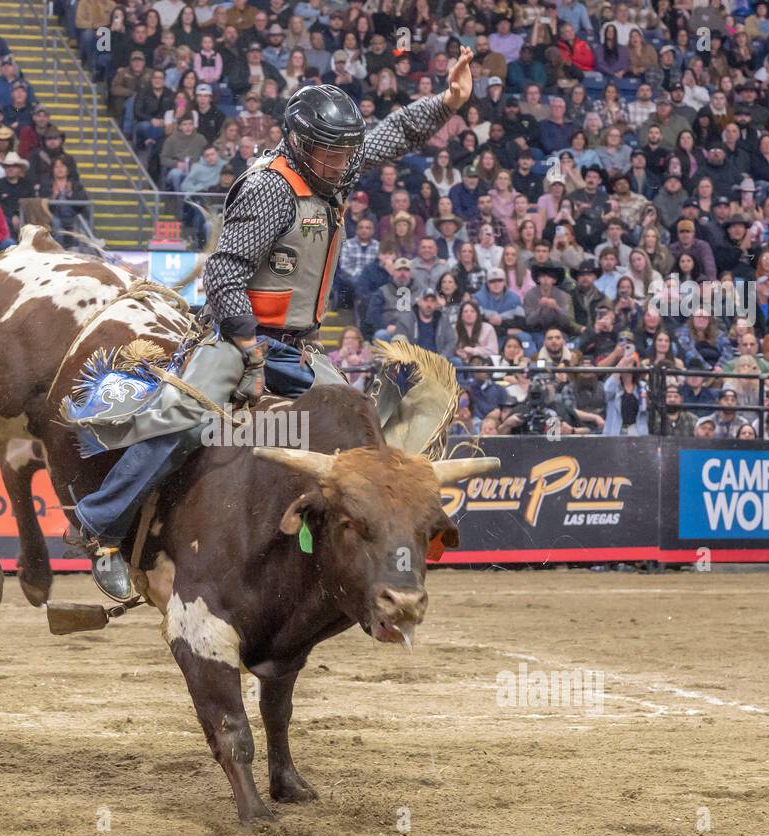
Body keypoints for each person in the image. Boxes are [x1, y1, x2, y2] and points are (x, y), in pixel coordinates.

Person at [66, 52, 478, 600]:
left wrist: (448, 101)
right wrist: (249, 352)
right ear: (300, 143)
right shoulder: (270, 188)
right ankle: (100, 527)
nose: (341, 163)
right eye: (330, 153)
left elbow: (395, 132)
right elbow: (224, 275)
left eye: (346, 153)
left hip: (302, 349)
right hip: (242, 338)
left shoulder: (333, 166)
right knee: (185, 420)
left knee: (360, 434)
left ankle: (355, 554)